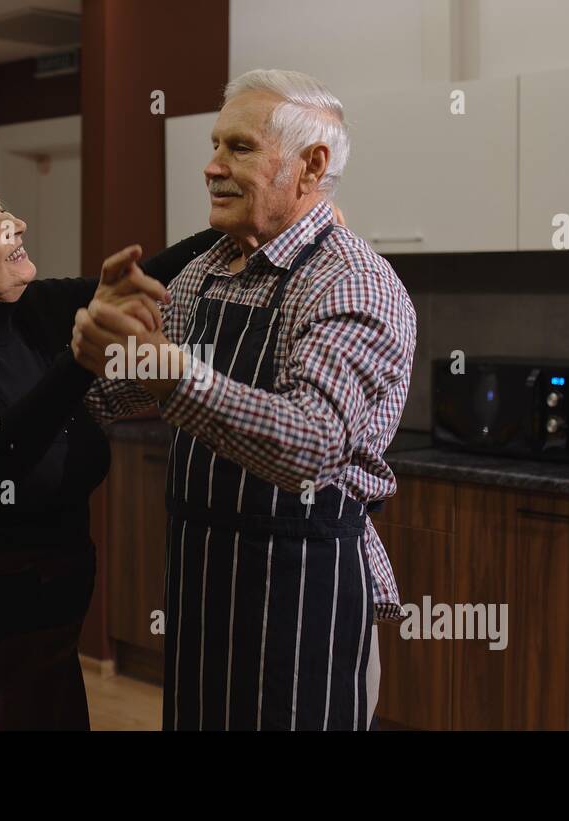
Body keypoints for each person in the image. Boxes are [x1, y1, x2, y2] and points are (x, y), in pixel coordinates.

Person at [72, 69, 417, 730]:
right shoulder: (204, 273)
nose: (212, 166)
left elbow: (311, 442)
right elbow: (112, 394)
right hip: (205, 583)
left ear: (311, 165)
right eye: (215, 144)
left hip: (304, 590)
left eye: (239, 148)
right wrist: (98, 348)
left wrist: (172, 375)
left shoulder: (352, 285)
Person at [0, 161, 218, 729]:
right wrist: (79, 360)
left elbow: (150, 279)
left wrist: (244, 223)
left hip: (48, 626)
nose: (16, 224)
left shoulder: (28, 312)